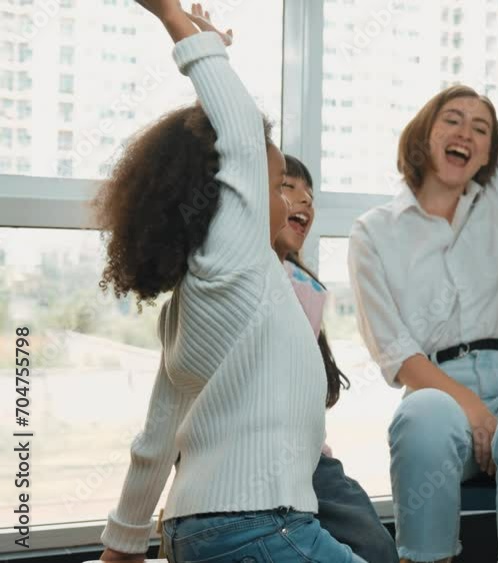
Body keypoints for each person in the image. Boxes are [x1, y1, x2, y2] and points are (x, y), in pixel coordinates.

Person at [95, 3, 362, 562]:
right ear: (229, 195)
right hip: (263, 527)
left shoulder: (193, 301)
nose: (286, 200)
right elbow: (238, 127)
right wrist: (178, 22)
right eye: (274, 186)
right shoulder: (239, 259)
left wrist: (122, 545)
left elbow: (158, 437)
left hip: (196, 534)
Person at [347, 1, 498, 561]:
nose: (466, 132)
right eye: (453, 119)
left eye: (480, 129)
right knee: (420, 418)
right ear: (424, 133)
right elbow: (399, 354)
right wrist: (470, 406)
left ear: (488, 155)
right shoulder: (373, 232)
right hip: (437, 382)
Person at [276, 154, 400, 563]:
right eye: (288, 188)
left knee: (374, 545)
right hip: (254, 461)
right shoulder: (232, 278)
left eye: (310, 196)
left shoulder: (304, 287)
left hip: (307, 456)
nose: (304, 202)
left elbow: (308, 391)